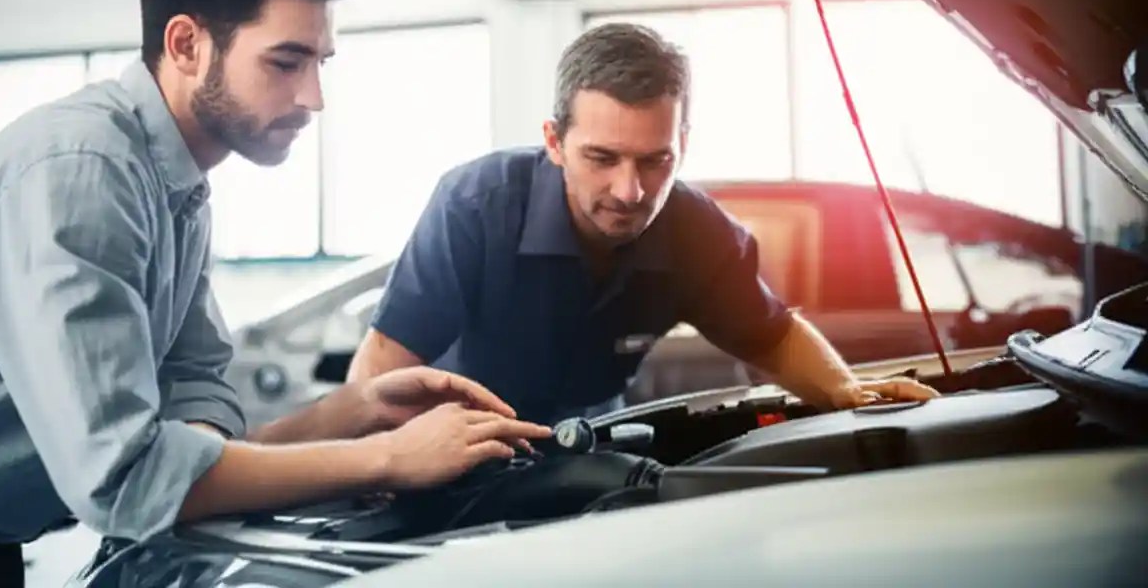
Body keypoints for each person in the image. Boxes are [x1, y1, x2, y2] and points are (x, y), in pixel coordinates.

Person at [0, 0, 549, 587]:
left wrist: (357, 410)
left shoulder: (175, 181)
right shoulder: (83, 170)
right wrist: (389, 459)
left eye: (321, 62)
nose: (314, 98)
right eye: (286, 63)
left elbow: (198, 395)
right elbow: (128, 481)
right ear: (187, 44)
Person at [347, 22, 940, 424]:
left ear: (682, 143)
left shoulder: (695, 230)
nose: (630, 192)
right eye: (601, 159)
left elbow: (774, 335)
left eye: (656, 161)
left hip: (597, 445)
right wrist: (380, 466)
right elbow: (383, 366)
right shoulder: (475, 205)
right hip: (460, 452)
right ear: (555, 141)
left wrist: (846, 391)